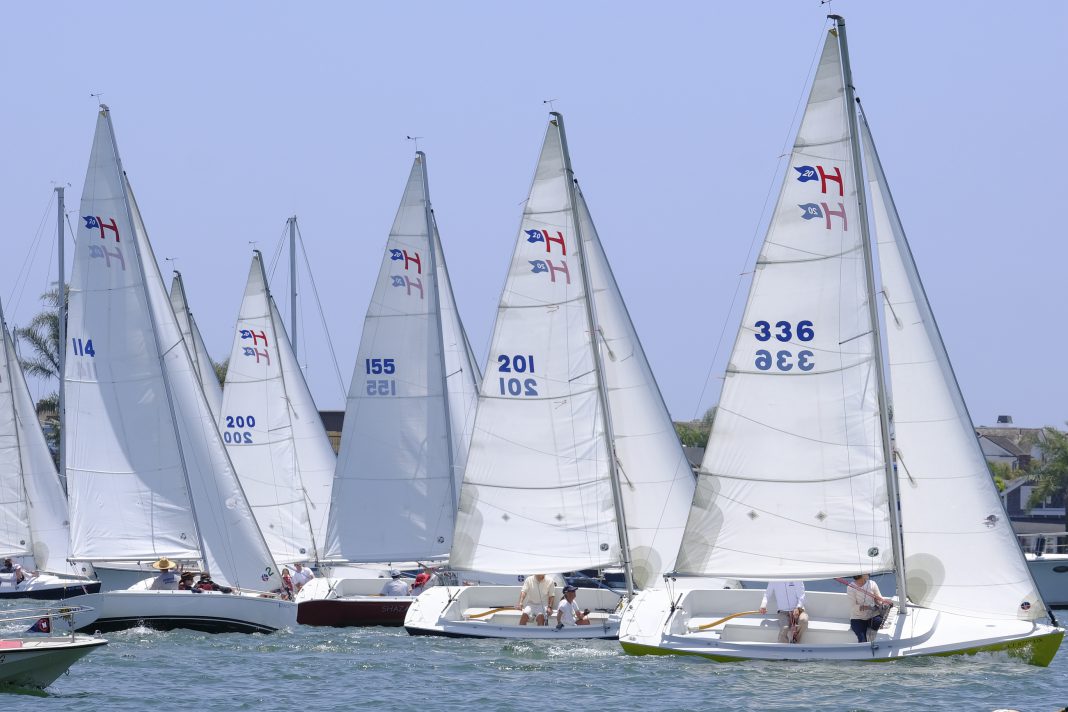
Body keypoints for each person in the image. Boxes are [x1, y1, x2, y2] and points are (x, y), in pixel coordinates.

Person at [847, 573, 891, 643]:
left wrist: (882, 604)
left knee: (885, 625)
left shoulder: (872, 584)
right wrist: (869, 607)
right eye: (866, 572)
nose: (868, 573)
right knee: (862, 639)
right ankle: (863, 652)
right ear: (861, 574)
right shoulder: (851, 587)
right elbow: (854, 607)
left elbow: (879, 599)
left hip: (872, 616)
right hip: (858, 618)